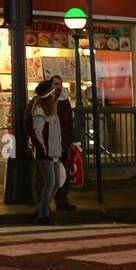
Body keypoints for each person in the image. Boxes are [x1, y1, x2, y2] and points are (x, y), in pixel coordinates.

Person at [29, 79, 63, 225]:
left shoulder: (50, 111)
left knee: (55, 183)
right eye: (53, 92)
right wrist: (42, 150)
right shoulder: (41, 112)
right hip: (46, 153)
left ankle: (43, 208)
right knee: (50, 183)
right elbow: (38, 133)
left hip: (53, 152)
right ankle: (43, 214)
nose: (55, 94)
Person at [51, 75, 78, 212]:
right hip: (50, 143)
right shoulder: (45, 101)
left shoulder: (63, 101)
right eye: (55, 84)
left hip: (61, 143)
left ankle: (61, 201)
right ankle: (47, 203)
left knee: (61, 173)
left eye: (60, 84)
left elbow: (68, 123)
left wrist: (68, 141)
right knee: (50, 175)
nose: (58, 87)